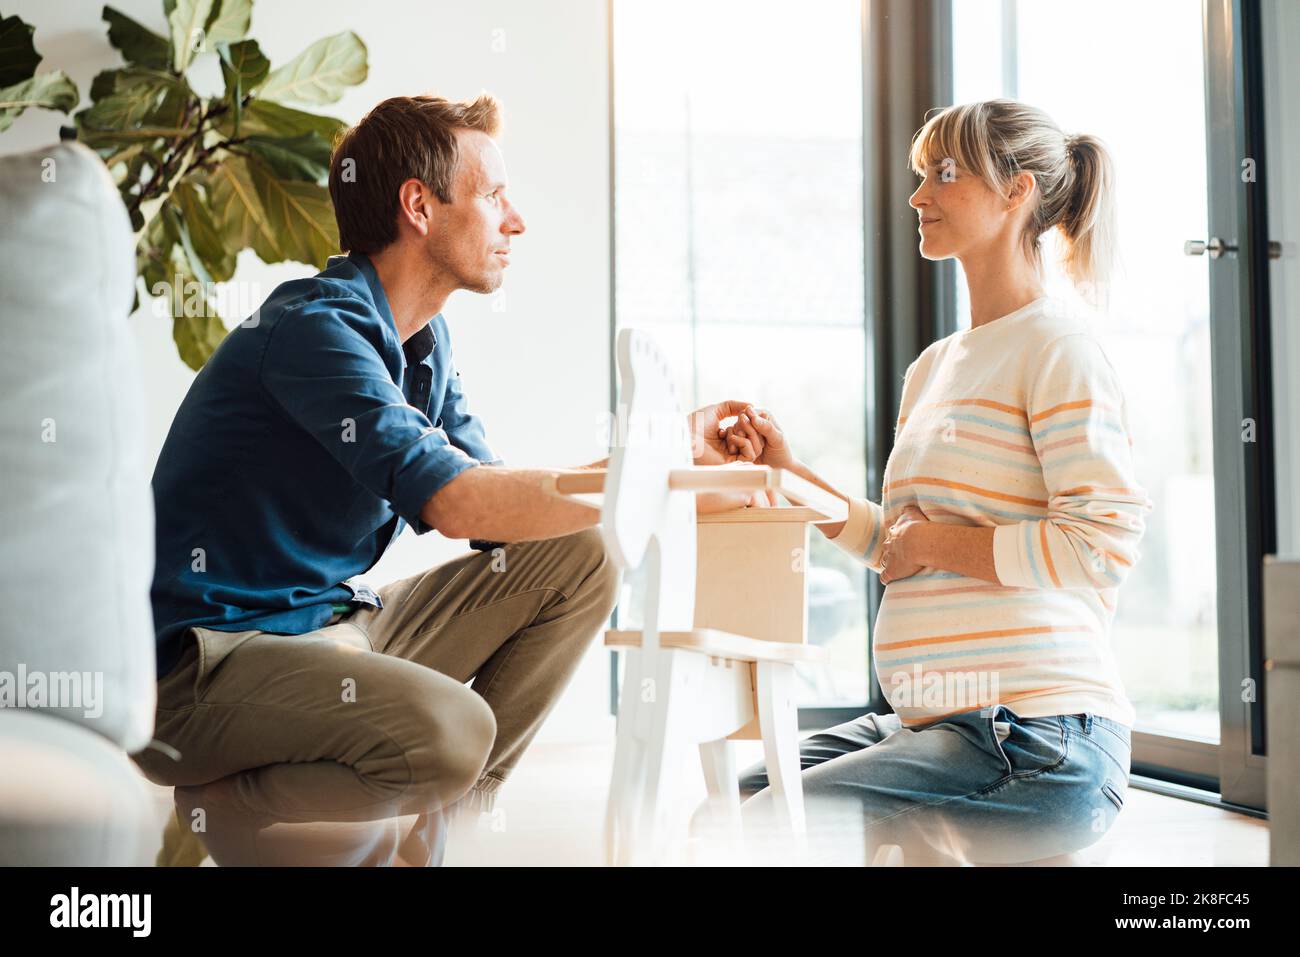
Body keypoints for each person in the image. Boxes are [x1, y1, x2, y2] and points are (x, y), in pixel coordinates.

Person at [132, 93, 759, 866]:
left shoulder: (425, 344)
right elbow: (458, 504)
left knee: (586, 550)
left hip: (333, 631)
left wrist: (666, 451)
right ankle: (231, 808)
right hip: (207, 667)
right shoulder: (314, 332)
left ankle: (439, 830)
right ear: (419, 206)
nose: (515, 220)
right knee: (455, 727)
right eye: (495, 196)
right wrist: (652, 466)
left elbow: (497, 505)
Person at [722, 99, 1154, 865]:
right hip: (941, 723)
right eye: (922, 175)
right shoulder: (932, 366)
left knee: (778, 824)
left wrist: (933, 542)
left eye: (944, 174)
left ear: (1017, 192)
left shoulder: (1059, 349)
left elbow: (1102, 544)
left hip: (1040, 733)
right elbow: (899, 547)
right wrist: (784, 475)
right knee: (752, 790)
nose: (919, 195)